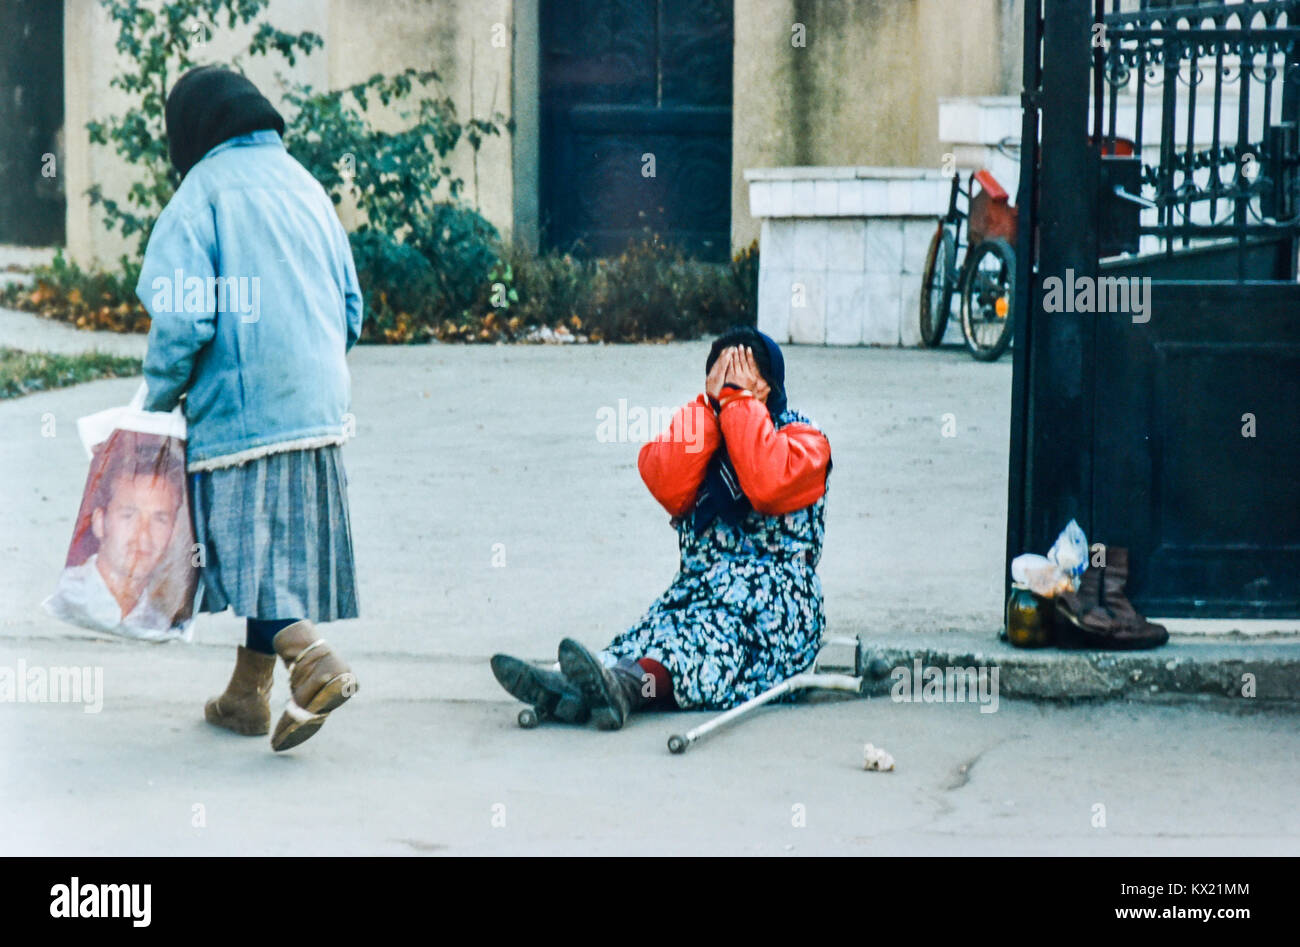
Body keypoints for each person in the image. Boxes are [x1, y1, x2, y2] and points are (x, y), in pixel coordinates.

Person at [136, 65, 363, 751]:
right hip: (319, 404)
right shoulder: (307, 187)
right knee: (276, 551)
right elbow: (351, 307)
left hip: (242, 408)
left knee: (241, 552)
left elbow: (181, 324)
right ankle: (245, 695)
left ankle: (311, 656)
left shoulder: (198, 198)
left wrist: (154, 405)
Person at [491, 325, 832, 729]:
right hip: (695, 595)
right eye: (722, 377)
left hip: (770, 613)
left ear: (769, 386)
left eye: (741, 376)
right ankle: (576, 686)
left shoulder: (805, 440)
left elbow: (767, 483)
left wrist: (740, 405)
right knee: (644, 642)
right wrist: (709, 408)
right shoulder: (705, 433)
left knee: (699, 647)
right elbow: (665, 481)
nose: (730, 385)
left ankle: (623, 691)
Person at [45, 442, 182, 639]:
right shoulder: (67, 597)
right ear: (100, 523)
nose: (143, 535)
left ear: (174, 533)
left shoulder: (162, 620)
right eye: (128, 515)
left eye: (160, 519)